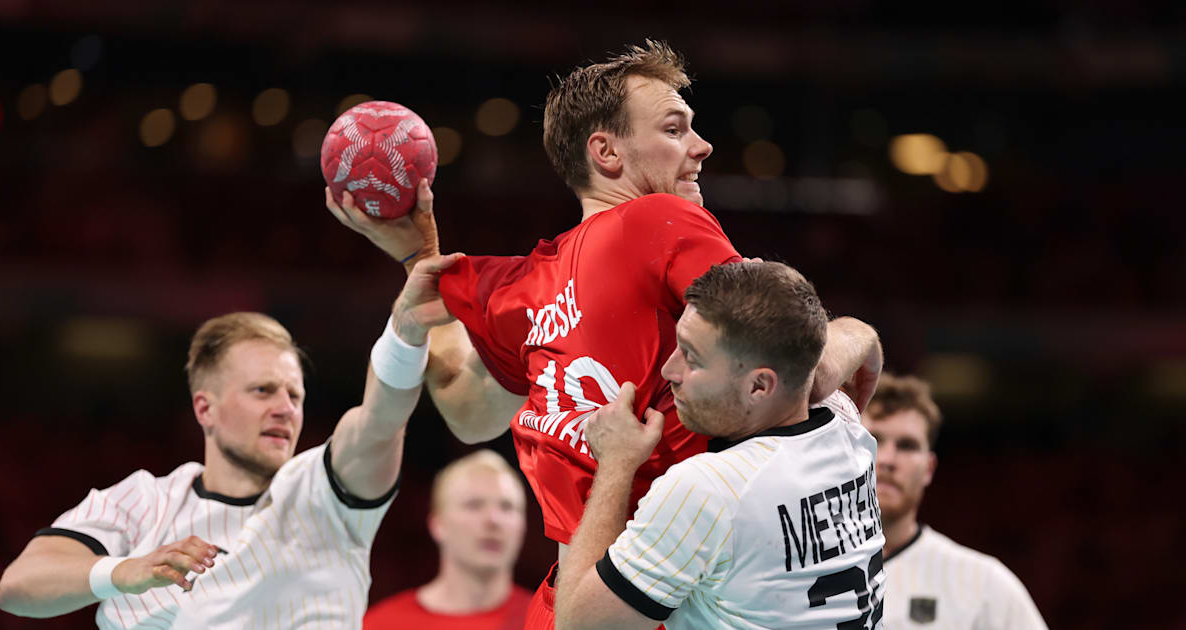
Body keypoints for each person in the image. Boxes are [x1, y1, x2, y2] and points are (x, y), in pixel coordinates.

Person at [326, 40, 880, 629]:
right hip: (659, 602)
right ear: (606, 152)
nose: (702, 146)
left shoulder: (525, 287)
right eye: (674, 129)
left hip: (573, 598)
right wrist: (858, 335)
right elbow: (796, 367)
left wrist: (417, 257)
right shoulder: (660, 219)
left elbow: (468, 414)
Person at [0, 256, 459, 628]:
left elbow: (380, 421)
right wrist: (122, 572)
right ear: (205, 409)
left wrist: (405, 331)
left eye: (294, 395)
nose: (285, 408)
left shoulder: (324, 490)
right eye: (263, 390)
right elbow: (17, 587)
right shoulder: (143, 500)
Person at [555, 261, 885, 629]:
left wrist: (615, 463)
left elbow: (577, 625)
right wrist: (845, 352)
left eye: (692, 358)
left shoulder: (707, 489)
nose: (669, 370)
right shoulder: (846, 423)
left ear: (759, 386)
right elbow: (855, 334)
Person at [861, 373, 1047, 629]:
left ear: (929, 469)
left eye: (907, 446)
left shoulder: (983, 585)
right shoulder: (806, 570)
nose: (887, 459)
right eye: (874, 440)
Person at [363, 450, 531, 630]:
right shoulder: (380, 624)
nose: (493, 520)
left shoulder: (546, 622)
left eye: (507, 507)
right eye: (474, 505)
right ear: (437, 524)